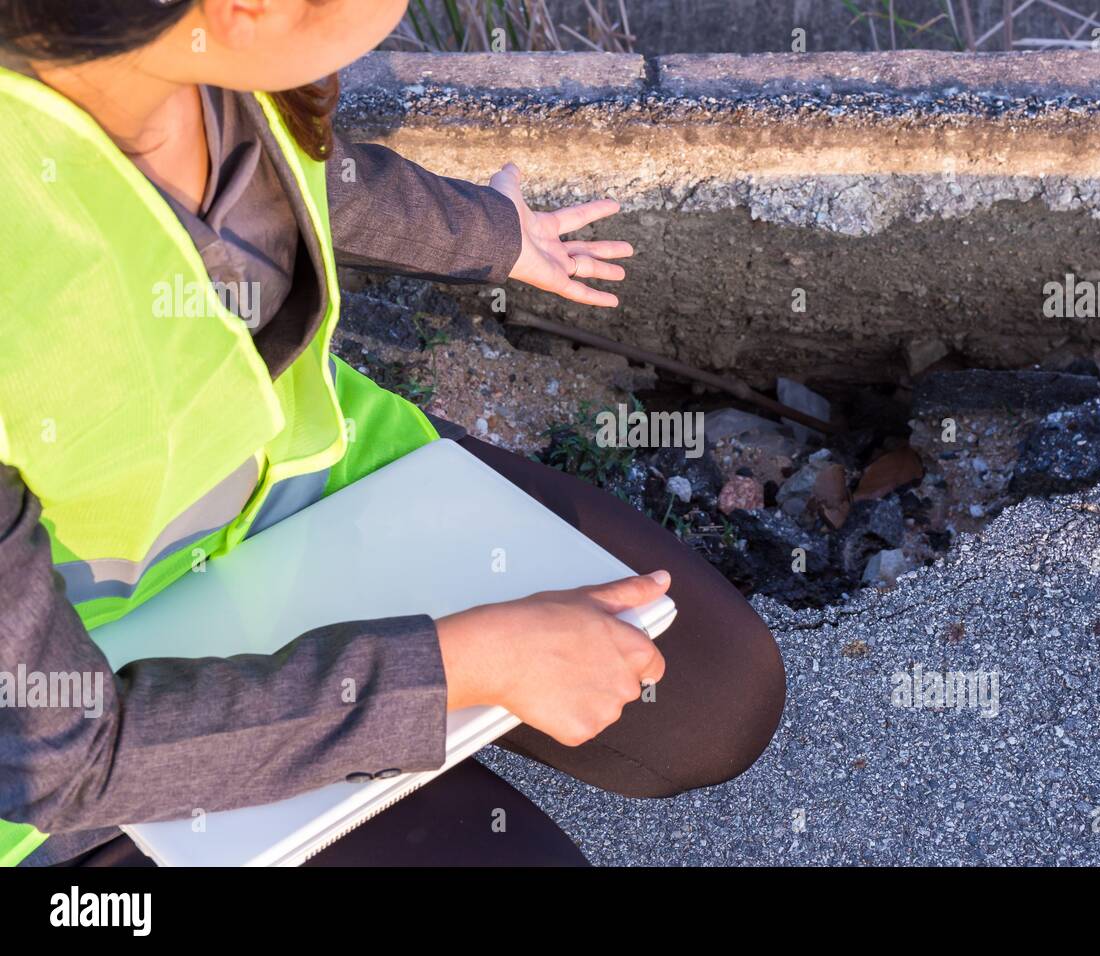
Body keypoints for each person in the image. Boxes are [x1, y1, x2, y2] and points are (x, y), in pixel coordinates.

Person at [0, 0, 785, 867]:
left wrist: (492, 233)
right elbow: (56, 760)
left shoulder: (172, 57)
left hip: (312, 494)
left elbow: (311, 179)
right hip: (104, 711)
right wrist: (461, 667)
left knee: (716, 696)